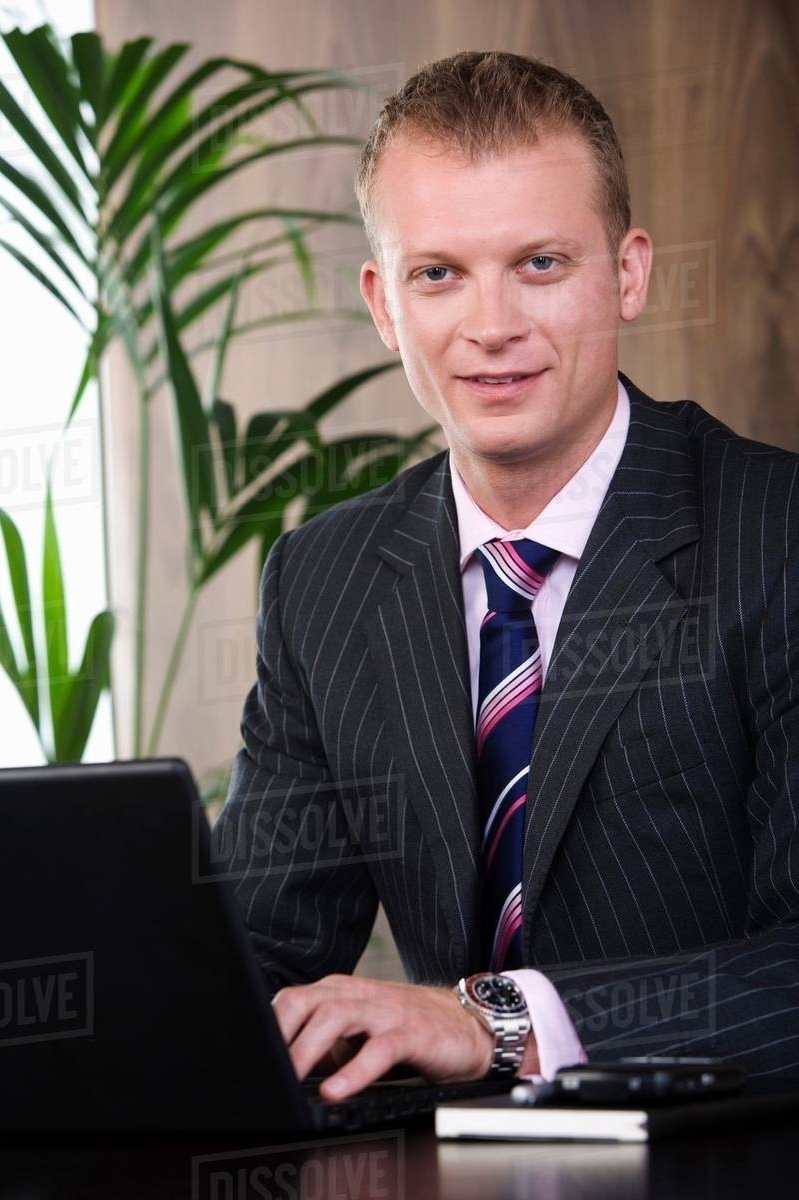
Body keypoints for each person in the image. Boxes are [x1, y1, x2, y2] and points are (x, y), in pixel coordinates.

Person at [213, 50, 799, 1102]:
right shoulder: (324, 580)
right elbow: (256, 965)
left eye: (538, 264)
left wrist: (492, 1021)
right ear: (384, 305)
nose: (490, 328)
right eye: (437, 274)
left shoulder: (776, 536)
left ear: (627, 273)